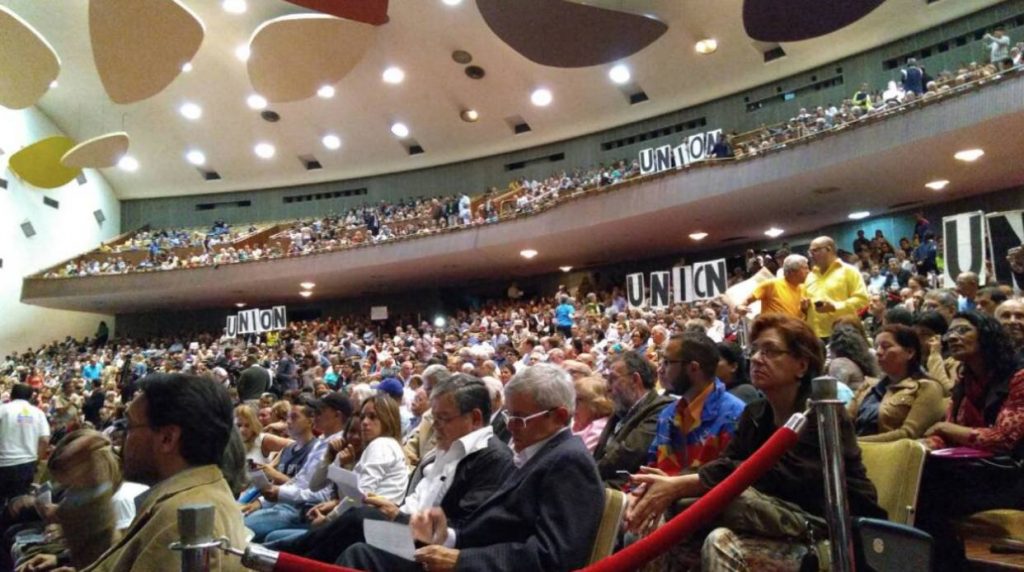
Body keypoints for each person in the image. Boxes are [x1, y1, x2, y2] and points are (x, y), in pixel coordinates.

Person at [626, 314, 884, 569]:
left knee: (721, 540)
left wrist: (681, 485)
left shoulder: (823, 413)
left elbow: (777, 475)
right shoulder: (756, 412)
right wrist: (671, 486)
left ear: (802, 365)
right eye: (756, 350)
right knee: (662, 533)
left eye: (770, 351)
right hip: (768, 521)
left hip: (827, 526)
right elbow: (728, 463)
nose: (757, 358)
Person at [337, 363, 605, 571]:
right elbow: (498, 526)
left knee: (361, 551)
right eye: (509, 416)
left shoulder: (569, 461)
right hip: (464, 550)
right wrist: (447, 537)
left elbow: (553, 556)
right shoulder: (539, 454)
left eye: (520, 419)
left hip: (475, 565)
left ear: (558, 416)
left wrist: (461, 560)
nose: (510, 428)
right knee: (362, 536)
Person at [274, 375, 514, 563]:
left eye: (443, 419)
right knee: (357, 522)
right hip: (407, 530)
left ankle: (283, 558)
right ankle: (285, 557)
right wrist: (396, 513)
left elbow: (465, 529)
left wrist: (399, 516)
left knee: (359, 531)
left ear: (474, 418)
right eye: (434, 419)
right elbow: (417, 501)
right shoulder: (446, 449)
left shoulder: (493, 458)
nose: (435, 427)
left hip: (430, 548)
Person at [61, 374, 248, 571]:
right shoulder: (198, 495)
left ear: (167, 438)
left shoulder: (182, 520)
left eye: (130, 426)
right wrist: (90, 489)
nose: (122, 439)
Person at [917, 311, 1024, 571]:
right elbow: (948, 431)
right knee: (916, 475)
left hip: (1013, 474)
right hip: (979, 472)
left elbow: (1003, 438)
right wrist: (925, 445)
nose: (953, 337)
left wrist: (944, 427)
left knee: (928, 492)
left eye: (963, 330)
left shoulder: (1018, 377)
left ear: (987, 336)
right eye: (950, 333)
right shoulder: (966, 379)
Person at [263, 393, 409, 546]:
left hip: (361, 529)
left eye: (373, 417)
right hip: (350, 522)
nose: (364, 424)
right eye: (363, 417)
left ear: (387, 420)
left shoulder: (381, 445)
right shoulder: (349, 452)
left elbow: (360, 497)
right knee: (275, 540)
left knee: (277, 545)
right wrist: (331, 459)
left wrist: (328, 519)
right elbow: (315, 485)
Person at [648, 333, 745, 476]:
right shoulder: (667, 415)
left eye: (667, 362)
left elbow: (732, 482)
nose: (661, 369)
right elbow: (652, 466)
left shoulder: (735, 416)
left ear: (693, 368)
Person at [847, 325, 945, 441]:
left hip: (895, 455)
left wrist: (854, 443)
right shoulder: (868, 386)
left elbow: (908, 434)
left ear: (910, 352)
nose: (878, 352)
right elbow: (845, 421)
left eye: (885, 347)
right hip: (855, 453)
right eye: (876, 347)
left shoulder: (926, 387)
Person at [593, 351, 674, 488]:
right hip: (602, 483)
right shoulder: (621, 409)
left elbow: (628, 454)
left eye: (613, 379)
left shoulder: (661, 409)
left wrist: (586, 474)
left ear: (635, 380)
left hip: (627, 488)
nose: (608, 387)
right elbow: (602, 453)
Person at [805, 236, 870, 340]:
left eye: (815, 251)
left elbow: (862, 299)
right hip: (815, 335)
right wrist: (805, 306)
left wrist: (835, 306)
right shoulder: (810, 275)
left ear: (829, 249)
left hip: (843, 333)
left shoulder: (849, 271)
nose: (811, 255)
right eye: (810, 252)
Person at [0, 384, 49, 506]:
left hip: (3, 462)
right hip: (26, 464)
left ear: (11, 395)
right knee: (17, 504)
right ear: (30, 397)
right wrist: (37, 459)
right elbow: (45, 440)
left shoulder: (3, 410)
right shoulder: (38, 413)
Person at [738, 254, 809, 320]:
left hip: (792, 330)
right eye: (805, 268)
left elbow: (801, 314)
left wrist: (804, 309)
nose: (808, 271)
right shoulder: (771, 284)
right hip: (773, 331)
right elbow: (746, 301)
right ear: (792, 272)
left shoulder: (803, 288)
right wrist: (740, 307)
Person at [571, 375, 613, 453]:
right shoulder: (576, 423)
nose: (573, 406)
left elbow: (578, 457)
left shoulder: (599, 428)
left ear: (596, 405)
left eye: (578, 401)